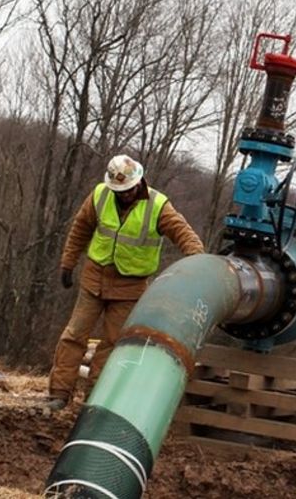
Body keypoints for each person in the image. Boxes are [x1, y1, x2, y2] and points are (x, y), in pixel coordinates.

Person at [45, 155, 204, 411]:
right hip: (94, 278)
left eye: (129, 189)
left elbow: (183, 234)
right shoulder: (100, 195)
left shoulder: (158, 206)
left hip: (130, 288)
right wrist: (68, 262)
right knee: (74, 335)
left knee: (112, 343)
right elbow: (80, 230)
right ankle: (59, 394)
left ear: (139, 181)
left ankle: (95, 400)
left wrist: (197, 262)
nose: (126, 194)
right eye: (120, 191)